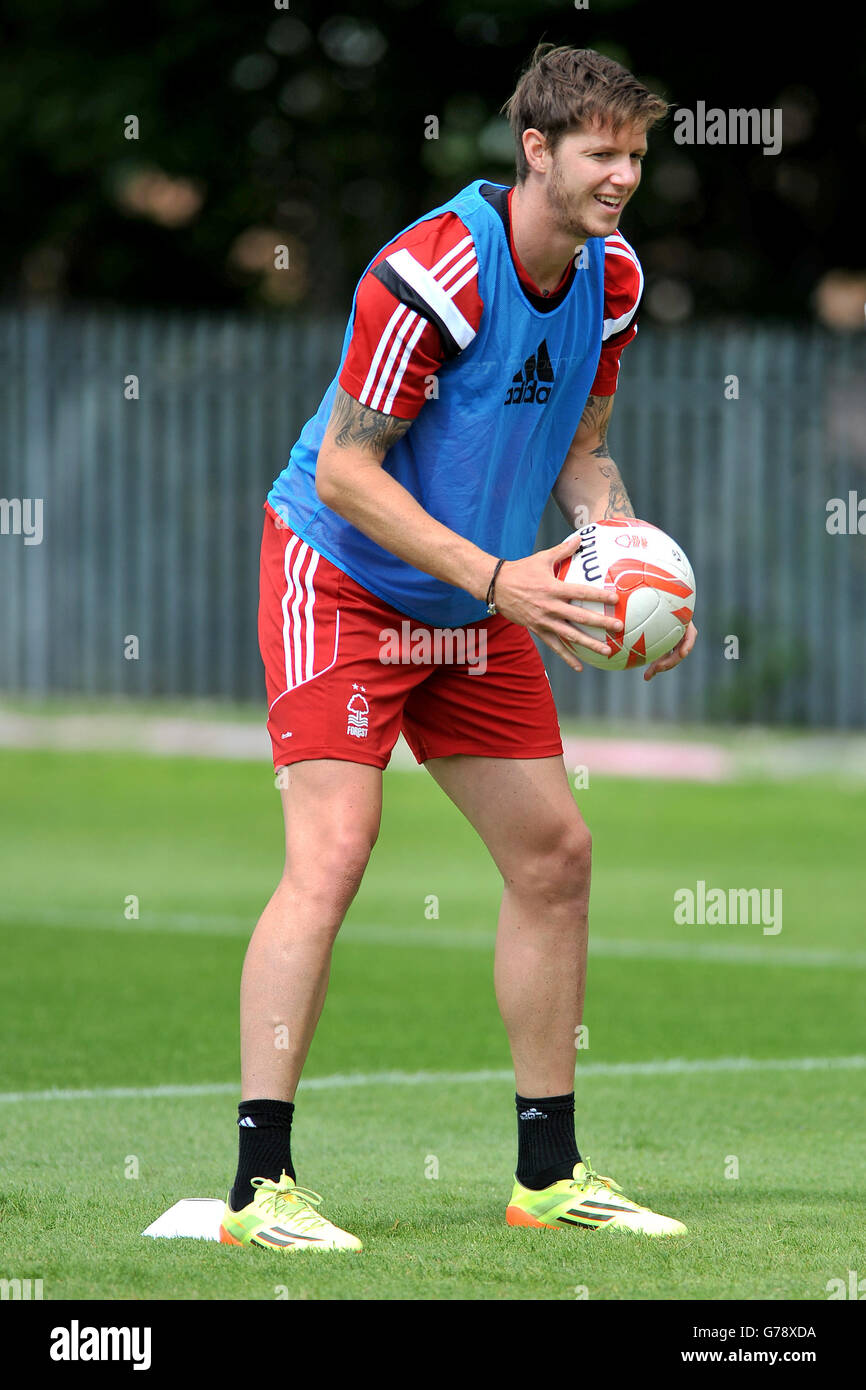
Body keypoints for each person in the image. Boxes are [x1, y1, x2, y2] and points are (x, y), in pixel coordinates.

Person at [220, 43, 697, 1252]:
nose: (622, 177)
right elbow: (344, 466)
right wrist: (497, 578)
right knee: (334, 848)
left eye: (634, 154)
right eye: (600, 153)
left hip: (480, 601)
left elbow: (581, 452)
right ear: (533, 150)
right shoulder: (430, 274)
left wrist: (618, 559)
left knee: (555, 854)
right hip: (343, 580)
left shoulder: (616, 280)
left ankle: (547, 1174)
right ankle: (258, 1189)